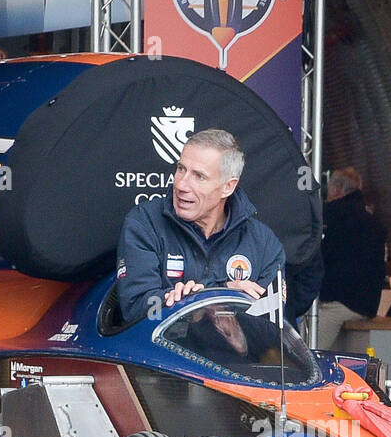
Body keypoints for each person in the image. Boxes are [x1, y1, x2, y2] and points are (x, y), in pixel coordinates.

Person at [116, 128, 285, 324]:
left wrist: (199, 299)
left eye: (199, 176)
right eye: (181, 169)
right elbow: (135, 308)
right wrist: (204, 298)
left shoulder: (263, 243)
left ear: (228, 186)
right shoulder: (145, 223)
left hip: (230, 354)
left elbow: (272, 328)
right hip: (161, 353)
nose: (181, 185)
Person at [317, 166, 387, 348]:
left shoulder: (330, 216)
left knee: (307, 356)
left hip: (339, 302)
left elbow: (319, 257)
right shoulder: (372, 220)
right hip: (366, 304)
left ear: (338, 188)